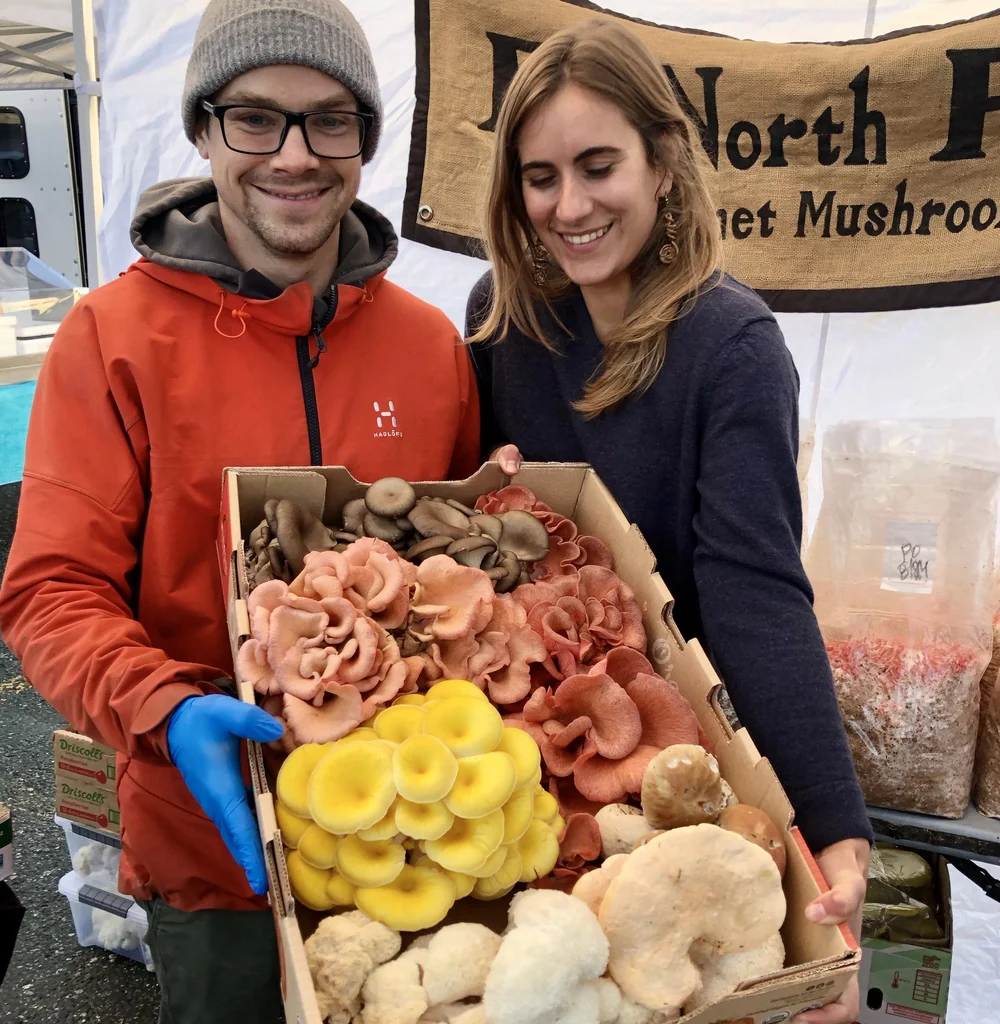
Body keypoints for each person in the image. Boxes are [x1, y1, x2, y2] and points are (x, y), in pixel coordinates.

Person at [0, 1, 479, 1020]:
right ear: (204, 129)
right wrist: (162, 710)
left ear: (365, 136)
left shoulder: (431, 348)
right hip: (210, 844)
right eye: (256, 118)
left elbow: (461, 577)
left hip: (418, 832)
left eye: (330, 120)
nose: (295, 156)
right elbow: (50, 591)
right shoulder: (112, 339)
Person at [465, 20, 870, 1024]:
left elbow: (753, 590)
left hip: (684, 742)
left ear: (664, 163)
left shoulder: (730, 347)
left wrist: (830, 825)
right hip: (534, 743)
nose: (569, 205)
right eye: (540, 177)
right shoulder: (504, 320)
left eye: (598, 166)